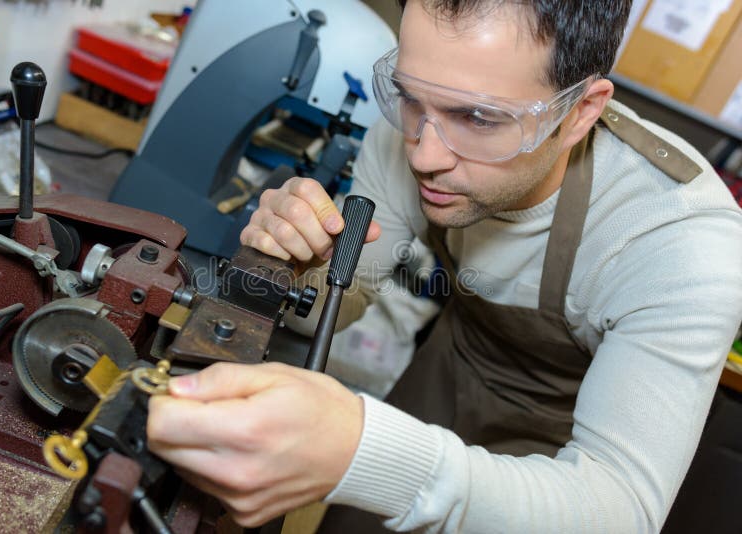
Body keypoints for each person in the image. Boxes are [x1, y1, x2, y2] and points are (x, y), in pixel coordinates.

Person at [147, 1, 742, 531]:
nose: (425, 155)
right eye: (410, 97)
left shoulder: (677, 242)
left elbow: (619, 510)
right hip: (448, 369)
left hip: (571, 447)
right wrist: (299, 270)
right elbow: (347, 301)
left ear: (582, 111)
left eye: (479, 119)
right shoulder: (412, 130)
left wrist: (366, 451)